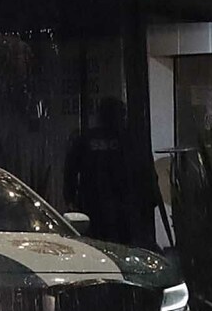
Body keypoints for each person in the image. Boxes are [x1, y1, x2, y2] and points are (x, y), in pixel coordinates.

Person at [62, 98, 158, 249]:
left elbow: (70, 173)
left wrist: (70, 199)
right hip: (123, 207)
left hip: (95, 205)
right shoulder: (131, 140)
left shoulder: (86, 139)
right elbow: (146, 173)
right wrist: (149, 200)